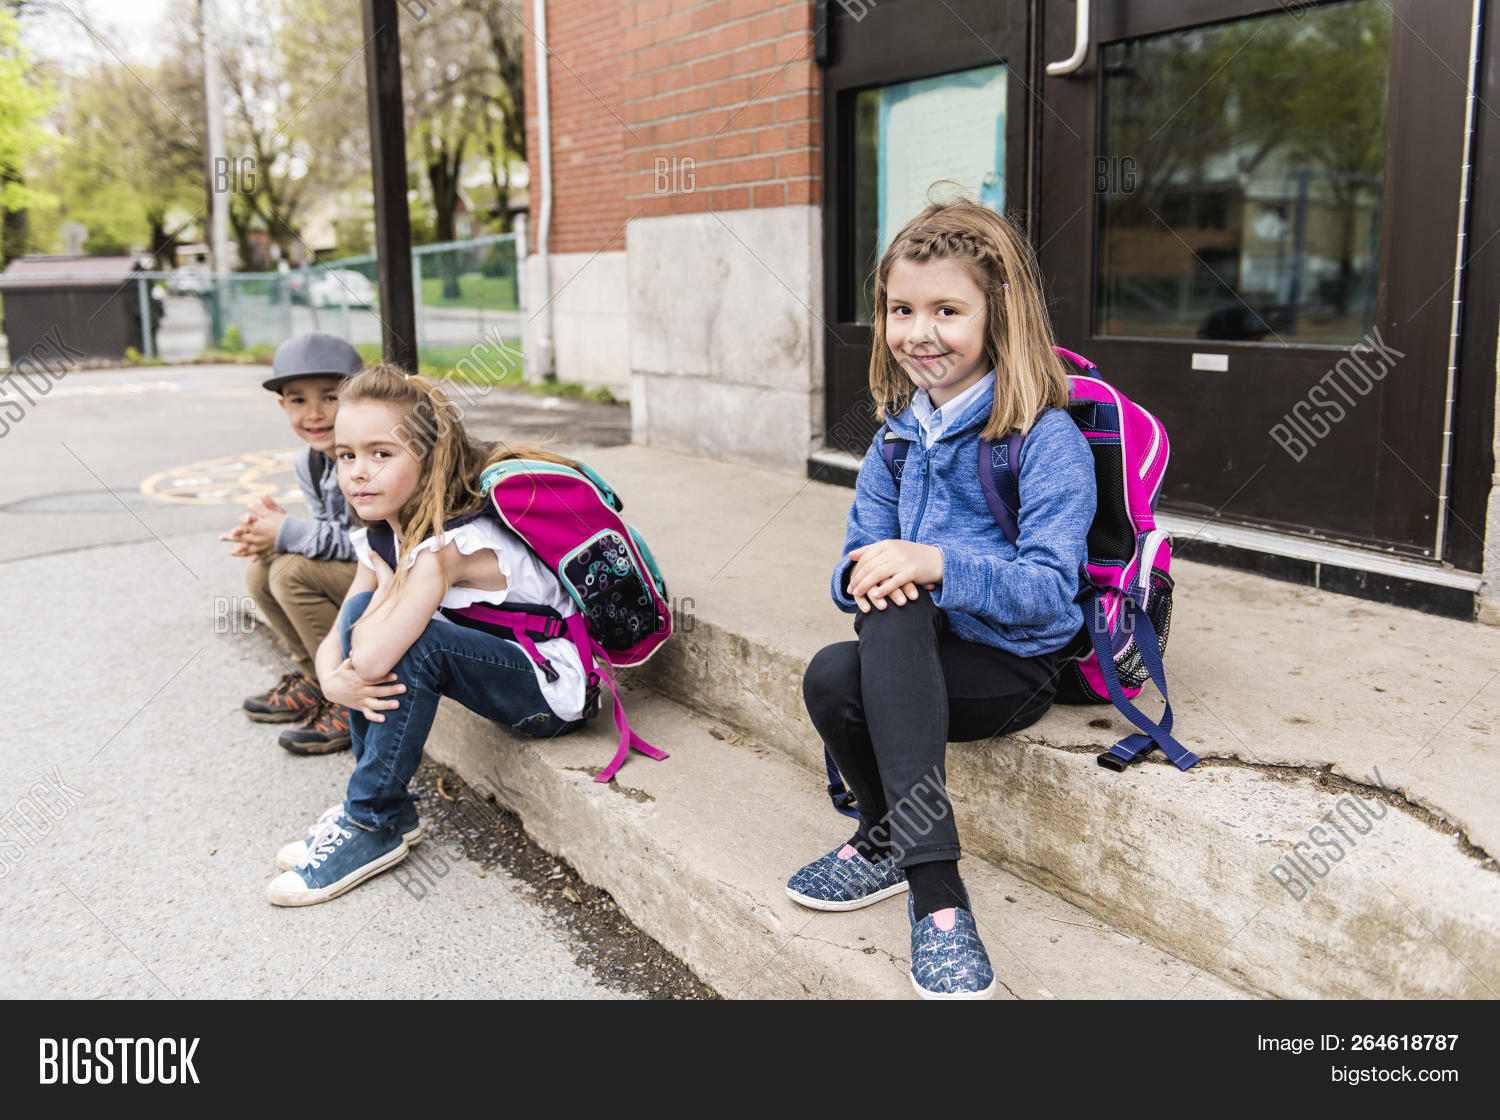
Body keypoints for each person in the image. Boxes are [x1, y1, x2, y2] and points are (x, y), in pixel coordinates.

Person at [786, 197, 1097, 999]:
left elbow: (1052, 591)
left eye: (947, 311)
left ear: (998, 316)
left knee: (899, 609)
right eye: (902, 310)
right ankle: (884, 837)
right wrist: (864, 574)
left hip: (1009, 666)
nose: (919, 332)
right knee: (832, 673)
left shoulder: (1045, 439)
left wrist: (935, 564)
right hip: (913, 656)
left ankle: (936, 891)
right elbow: (855, 562)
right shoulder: (893, 441)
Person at [266, 366, 590, 906]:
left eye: (381, 454)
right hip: (494, 665)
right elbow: (340, 635)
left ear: (428, 455)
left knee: (416, 643)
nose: (358, 473)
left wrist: (382, 592)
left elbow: (372, 659)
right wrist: (331, 681)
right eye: (346, 455)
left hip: (549, 691)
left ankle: (372, 820)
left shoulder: (447, 545)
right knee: (365, 614)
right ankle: (387, 810)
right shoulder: (384, 531)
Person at [222, 331, 363, 755]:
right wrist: (269, 536)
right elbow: (329, 533)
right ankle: (316, 679)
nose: (314, 413)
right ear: (283, 406)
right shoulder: (311, 462)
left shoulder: (370, 456)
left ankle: (348, 694)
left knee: (291, 573)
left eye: (331, 397)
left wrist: (287, 533)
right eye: (298, 400)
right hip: (361, 574)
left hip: (401, 578)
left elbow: (371, 543)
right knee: (261, 571)